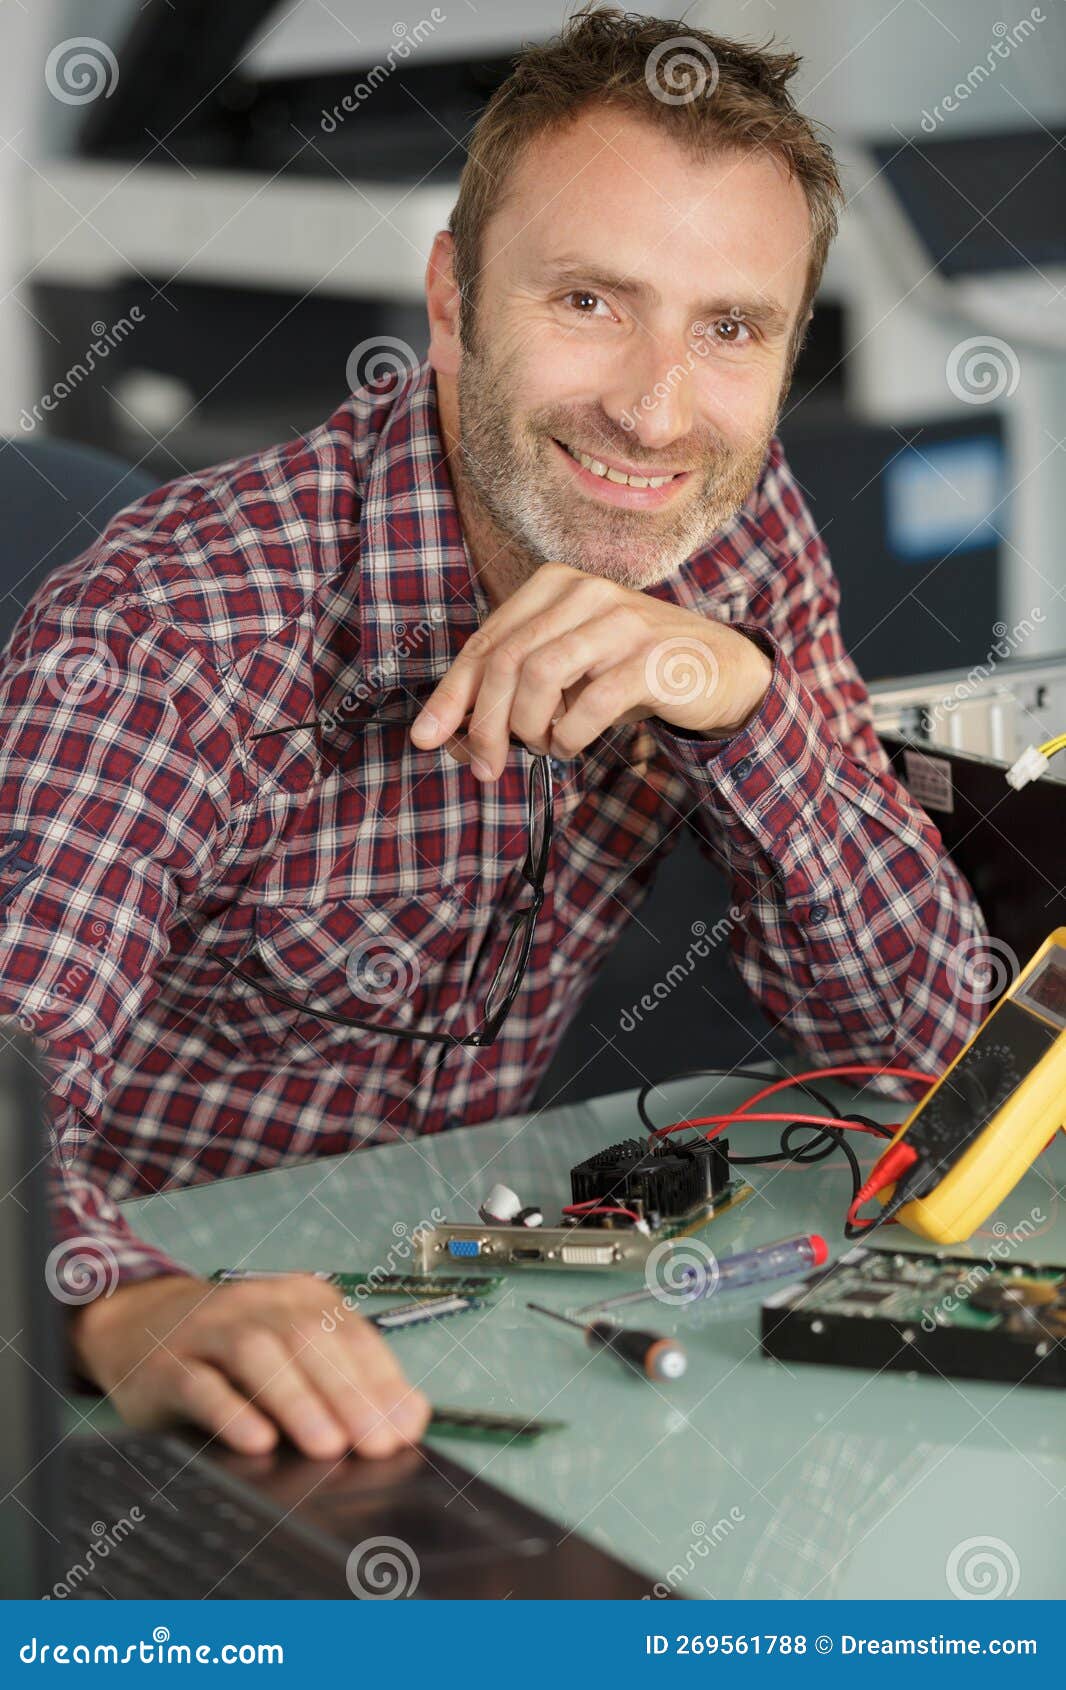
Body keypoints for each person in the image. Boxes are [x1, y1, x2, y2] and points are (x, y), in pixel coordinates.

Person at [0, 7, 987, 1462]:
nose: (655, 414)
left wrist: (746, 707)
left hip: (454, 1322)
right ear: (453, 300)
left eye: (728, 328)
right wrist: (122, 1309)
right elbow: (6, 1105)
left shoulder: (731, 532)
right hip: (155, 1390)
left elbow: (933, 1057)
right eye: (589, 300)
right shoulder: (173, 630)